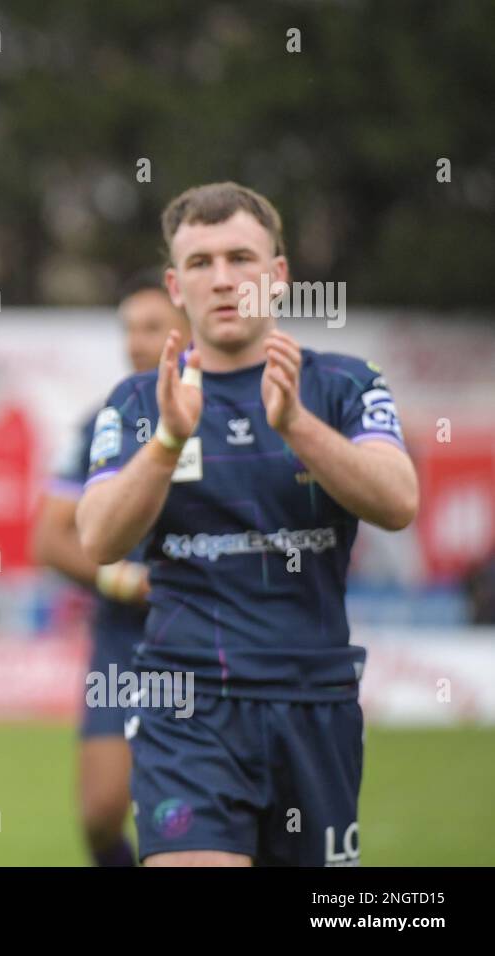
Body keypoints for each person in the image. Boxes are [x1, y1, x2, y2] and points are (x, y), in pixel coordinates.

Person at [76, 182, 419, 866]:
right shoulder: (141, 400)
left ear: (279, 275)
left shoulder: (344, 385)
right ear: (176, 285)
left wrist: (295, 425)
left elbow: (397, 500)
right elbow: (99, 538)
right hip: (187, 707)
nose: (224, 279)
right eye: (201, 263)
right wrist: (169, 442)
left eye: (241, 257)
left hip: (313, 702)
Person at [31, 276, 189, 866]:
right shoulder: (107, 419)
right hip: (124, 638)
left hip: (211, 635)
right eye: (127, 329)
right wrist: (128, 580)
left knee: (192, 820)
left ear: (190, 328)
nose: (136, 342)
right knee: (100, 814)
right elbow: (49, 538)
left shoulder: (229, 411)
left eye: (152, 327)